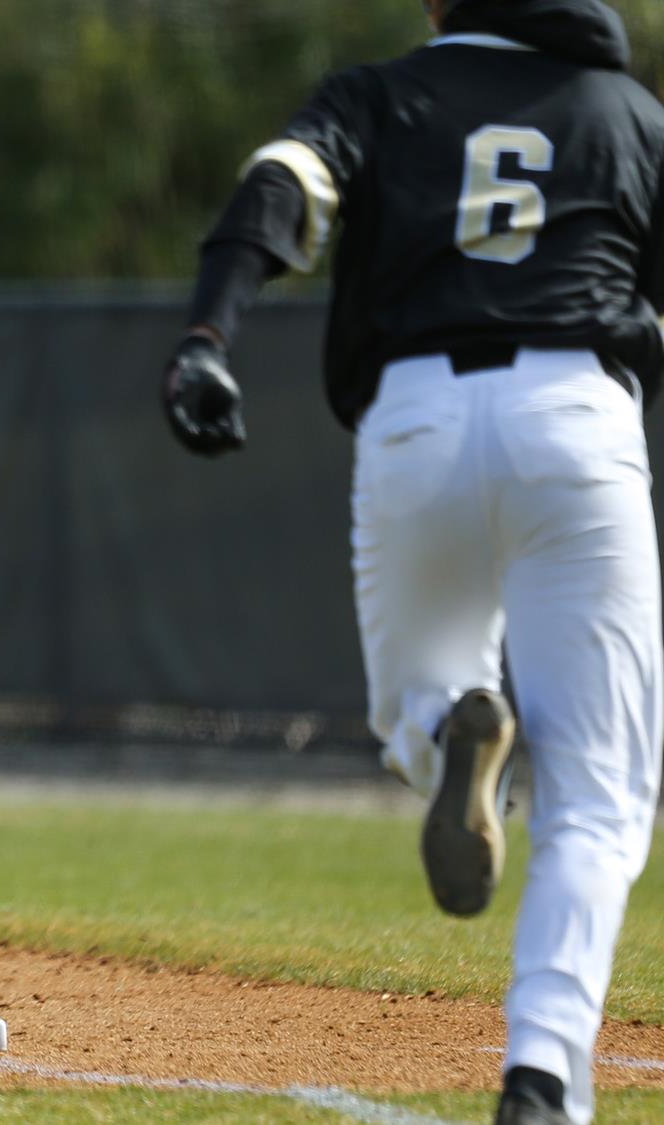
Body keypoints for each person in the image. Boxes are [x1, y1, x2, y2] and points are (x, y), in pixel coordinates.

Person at [160, 2, 663, 1122]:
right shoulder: (628, 113)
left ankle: (449, 731)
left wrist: (206, 336)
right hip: (578, 415)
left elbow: (276, 194)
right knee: (595, 797)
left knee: (407, 722)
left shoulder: (376, 96)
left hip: (414, 422)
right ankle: (538, 1077)